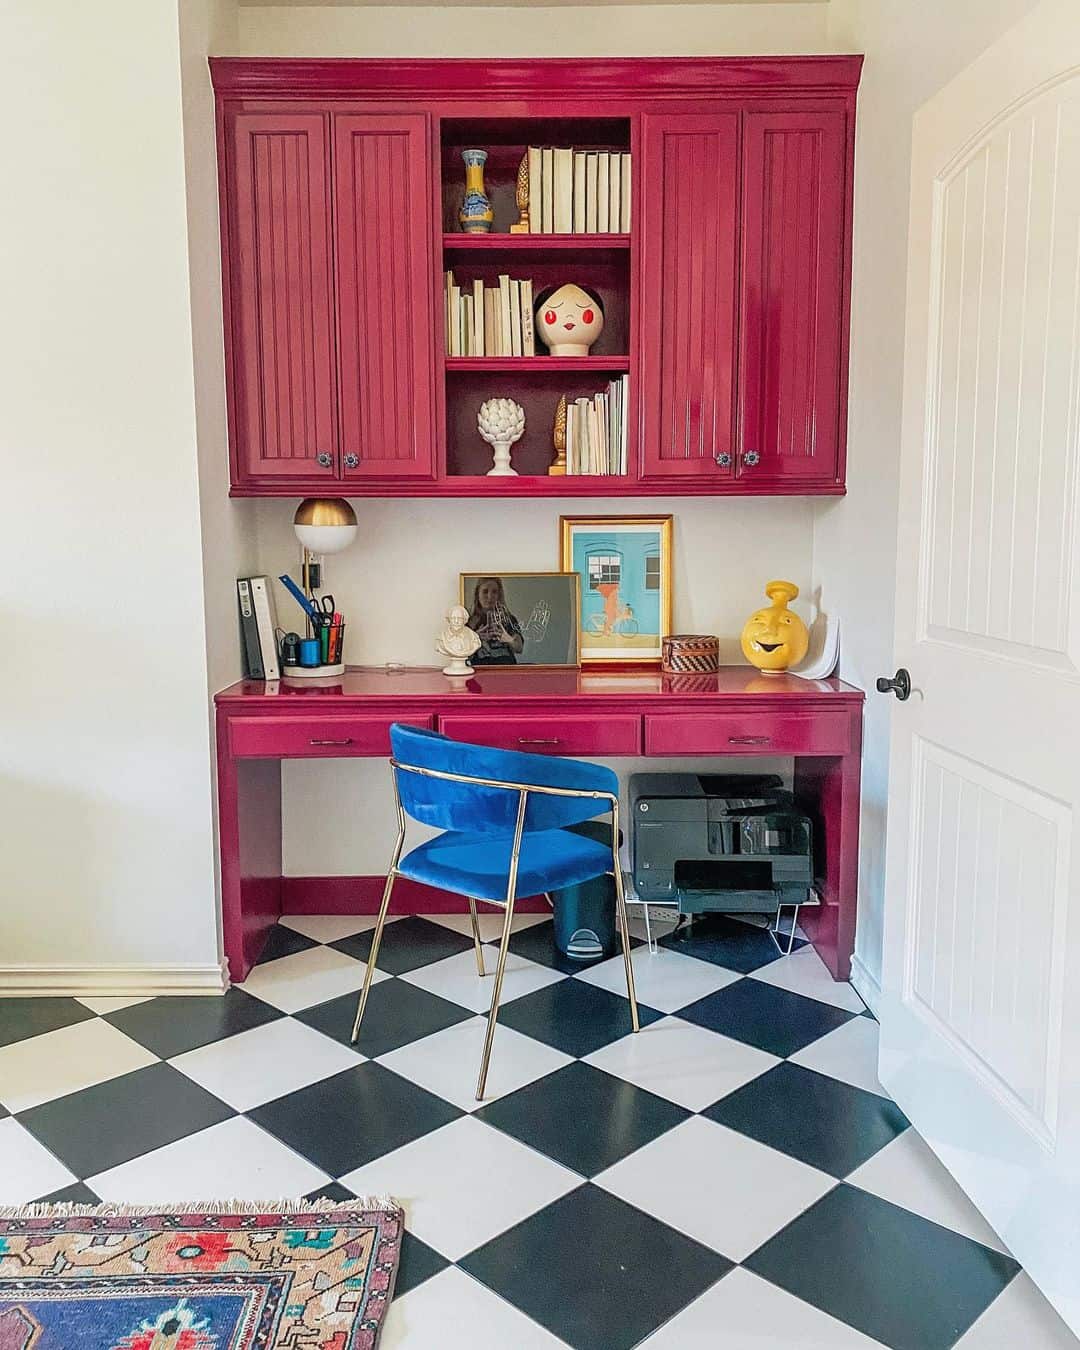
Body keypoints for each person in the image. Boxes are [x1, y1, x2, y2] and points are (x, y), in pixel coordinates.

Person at [467, 577, 525, 665]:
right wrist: (476, 638)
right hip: (480, 672)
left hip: (506, 671)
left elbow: (519, 648)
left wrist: (508, 639)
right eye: (485, 591)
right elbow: (461, 654)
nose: (490, 596)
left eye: (494, 592)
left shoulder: (509, 619)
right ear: (477, 594)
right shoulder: (469, 621)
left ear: (499, 595)